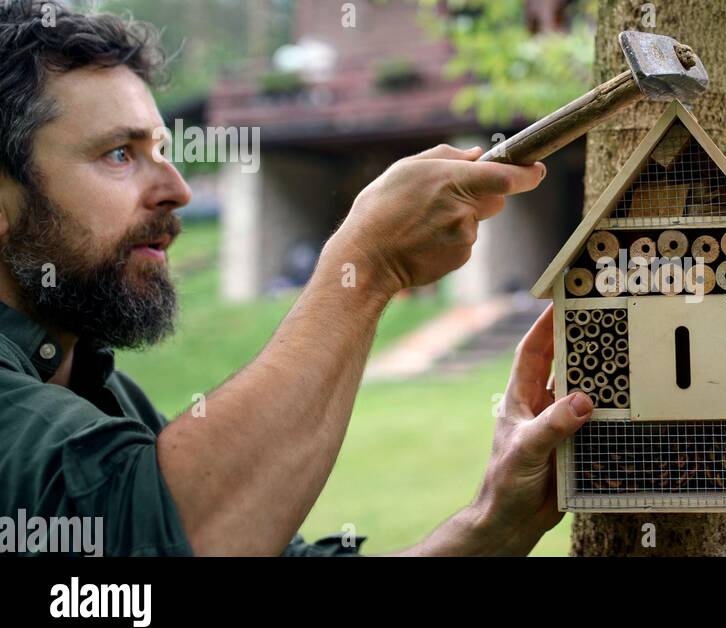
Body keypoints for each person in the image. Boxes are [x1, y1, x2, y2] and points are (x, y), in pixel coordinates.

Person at [0, 0, 592, 556]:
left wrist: (492, 523)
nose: (177, 190)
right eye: (119, 155)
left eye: (160, 149)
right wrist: (367, 264)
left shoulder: (104, 393)